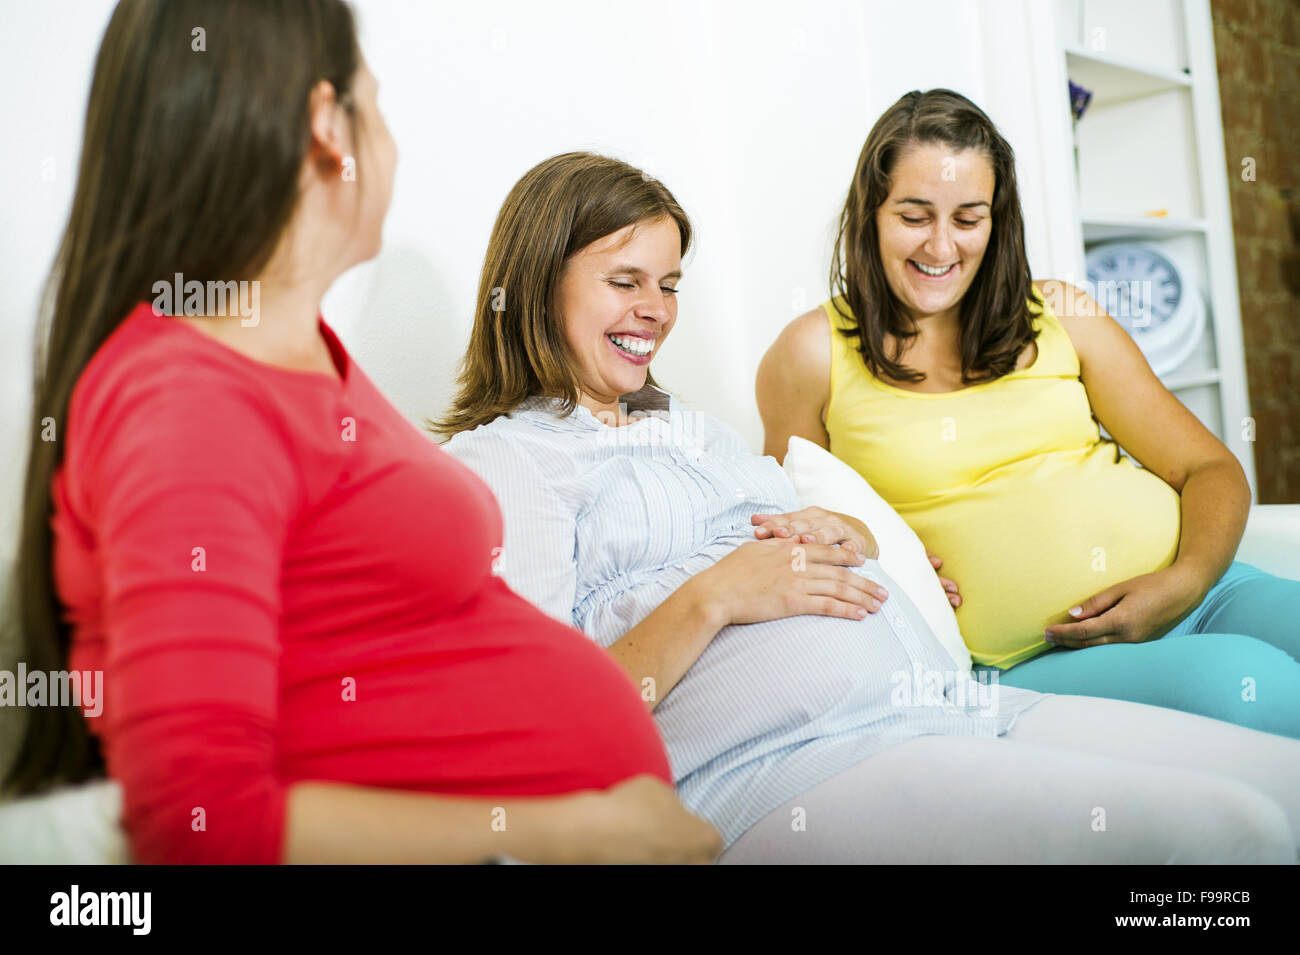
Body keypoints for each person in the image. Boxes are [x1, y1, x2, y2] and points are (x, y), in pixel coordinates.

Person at [2, 0, 720, 865]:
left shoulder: (305, 357)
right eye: (375, 106)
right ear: (326, 126)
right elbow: (201, 821)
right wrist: (566, 830)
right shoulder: (187, 397)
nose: (393, 144)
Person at [438, 151, 1300, 863]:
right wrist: (715, 595)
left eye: (668, 284)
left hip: (951, 706)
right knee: (1236, 836)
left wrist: (852, 535)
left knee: (1283, 794)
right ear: (537, 282)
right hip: (786, 768)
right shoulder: (506, 461)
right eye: (624, 279)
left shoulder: (691, 432)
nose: (655, 311)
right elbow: (543, 727)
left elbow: (795, 538)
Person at [757, 88, 1300, 738]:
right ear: (870, 213)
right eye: (914, 214)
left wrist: (1183, 581)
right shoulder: (810, 353)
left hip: (1205, 592)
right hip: (1038, 656)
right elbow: (787, 538)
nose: (940, 244)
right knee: (1254, 688)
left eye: (968, 217)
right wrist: (883, 555)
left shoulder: (1061, 313)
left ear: (998, 219)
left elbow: (1210, 466)